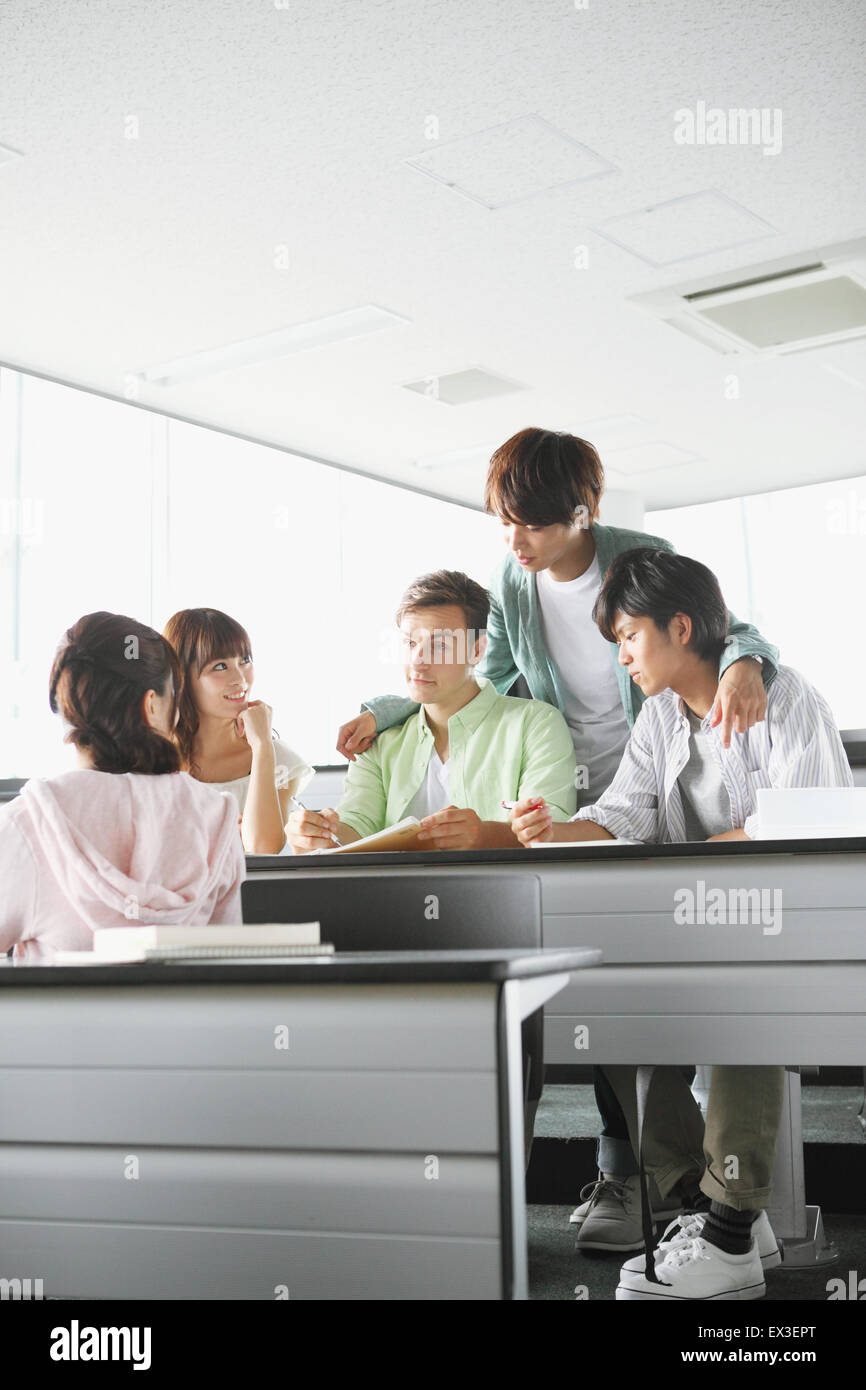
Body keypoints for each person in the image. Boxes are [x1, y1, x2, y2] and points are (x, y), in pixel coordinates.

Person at [333, 428, 780, 1237]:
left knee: (667, 973)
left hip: (651, 772)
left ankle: (673, 1184)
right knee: (603, 981)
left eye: (533, 524)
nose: (515, 541)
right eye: (504, 521)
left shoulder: (640, 554)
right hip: (578, 797)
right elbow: (476, 671)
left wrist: (748, 663)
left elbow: (720, 628)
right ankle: (642, 1173)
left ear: (584, 512)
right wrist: (389, 706)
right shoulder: (512, 579)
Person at [510, 548, 853, 1300]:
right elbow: (624, 816)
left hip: (784, 924)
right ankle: (707, 1211)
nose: (621, 654)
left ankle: (731, 1228)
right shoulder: (660, 717)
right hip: (694, 917)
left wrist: (690, 867)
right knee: (611, 995)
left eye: (629, 635)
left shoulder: (785, 698)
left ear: (682, 627)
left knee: (735, 995)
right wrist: (552, 830)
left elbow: (800, 830)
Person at [0, 612, 245, 963]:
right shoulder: (217, 819)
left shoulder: (27, 823)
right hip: (184, 1018)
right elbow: (230, 969)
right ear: (152, 705)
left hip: (67, 1019)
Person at [287, 569, 576, 853]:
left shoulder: (536, 724)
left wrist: (488, 835)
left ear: (477, 651)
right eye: (411, 643)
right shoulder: (378, 738)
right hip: (391, 897)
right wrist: (321, 833)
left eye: (439, 645)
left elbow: (552, 828)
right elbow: (357, 825)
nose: (418, 661)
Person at [164, 608, 312, 854]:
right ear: (182, 677)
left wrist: (263, 746)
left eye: (245, 660)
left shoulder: (280, 760)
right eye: (220, 666)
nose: (240, 679)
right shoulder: (151, 760)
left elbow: (264, 848)